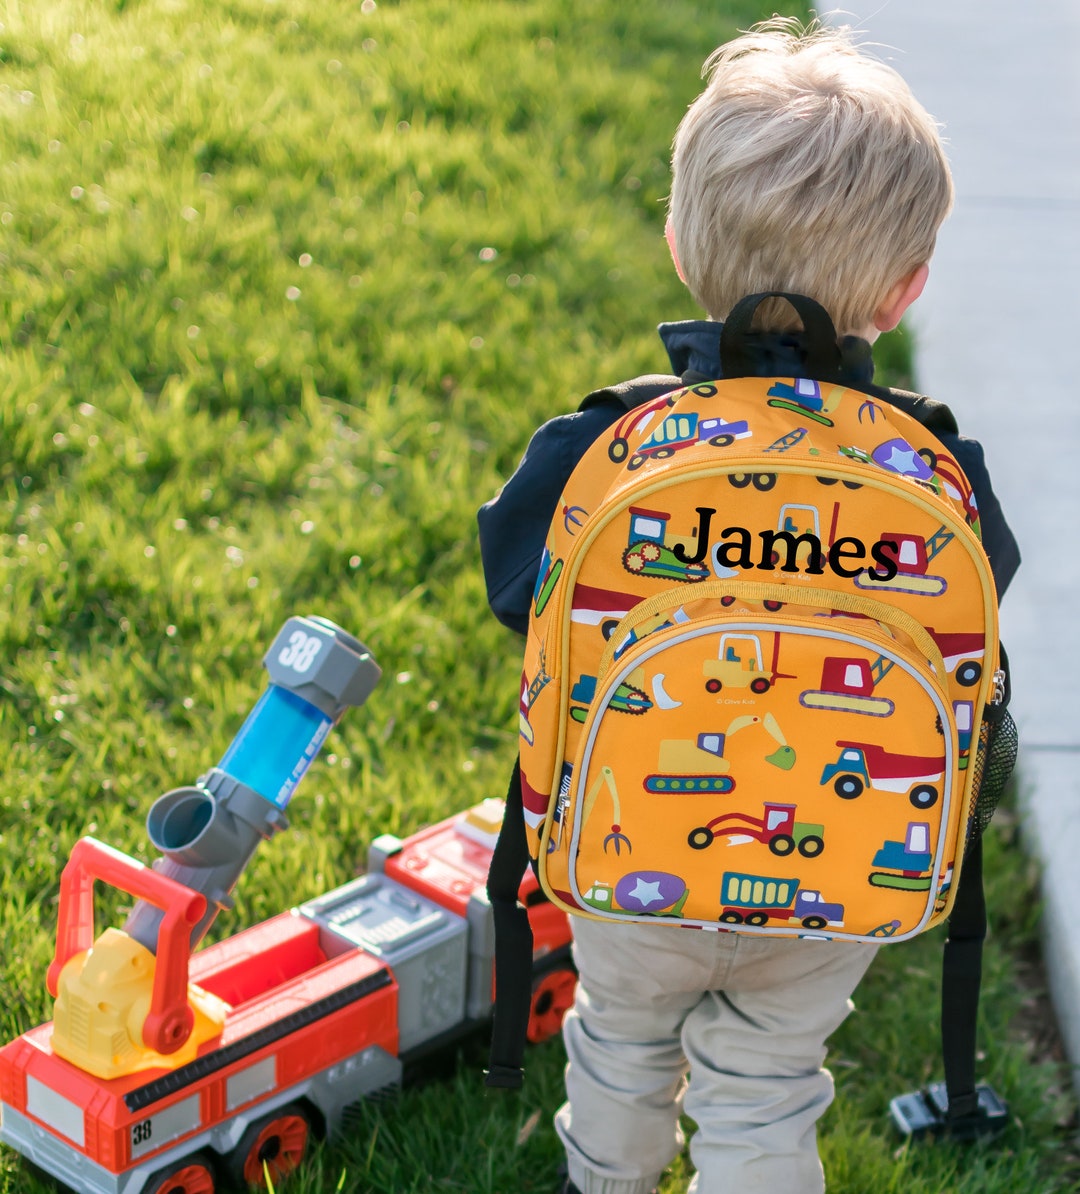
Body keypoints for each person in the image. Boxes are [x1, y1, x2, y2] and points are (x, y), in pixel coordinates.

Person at [477, 18, 1020, 1194]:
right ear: (909, 283)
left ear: (680, 244)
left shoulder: (601, 444)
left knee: (618, 1045)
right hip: (844, 872)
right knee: (769, 1081)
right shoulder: (937, 466)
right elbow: (979, 627)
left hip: (624, 845)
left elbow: (516, 589)